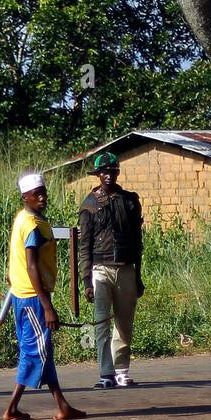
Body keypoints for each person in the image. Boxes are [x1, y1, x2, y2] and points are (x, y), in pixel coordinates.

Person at [2, 172, 87, 420]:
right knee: (33, 351)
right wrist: (47, 306)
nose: (42, 197)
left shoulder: (25, 218)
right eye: (36, 194)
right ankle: (11, 408)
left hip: (25, 295)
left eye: (43, 192)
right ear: (24, 197)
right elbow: (31, 266)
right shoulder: (32, 225)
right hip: (32, 298)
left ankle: (63, 406)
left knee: (42, 350)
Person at [78, 151, 144, 388]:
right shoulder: (89, 205)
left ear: (117, 172)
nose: (108, 175)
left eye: (112, 171)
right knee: (101, 323)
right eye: (103, 171)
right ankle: (106, 373)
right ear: (97, 175)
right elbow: (84, 246)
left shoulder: (129, 201)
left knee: (124, 322)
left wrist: (138, 276)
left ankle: (121, 371)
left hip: (126, 269)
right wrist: (86, 281)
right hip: (100, 270)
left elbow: (137, 242)